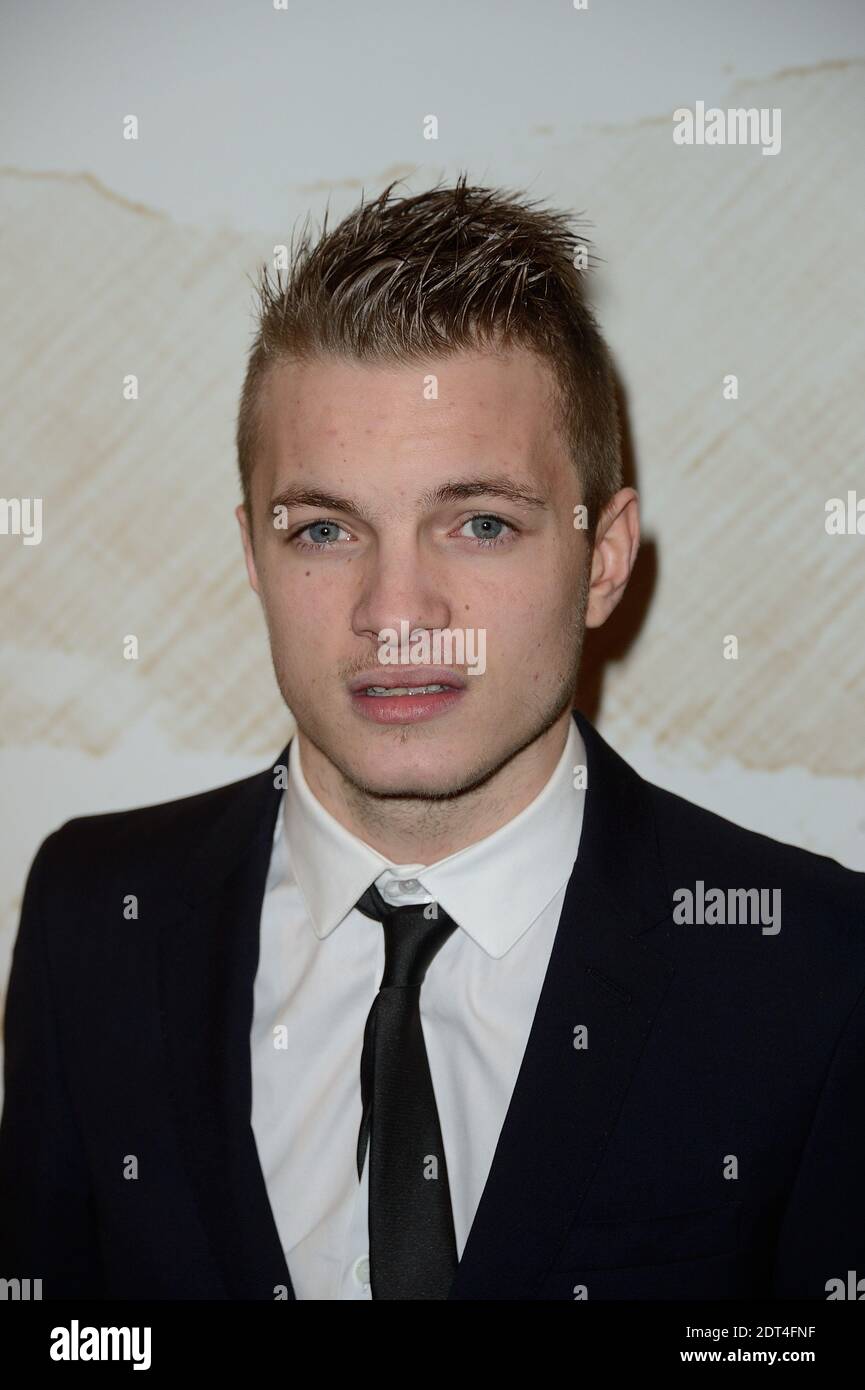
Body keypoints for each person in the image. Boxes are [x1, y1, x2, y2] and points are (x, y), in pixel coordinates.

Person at [1, 176, 863, 1301]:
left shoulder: (811, 967)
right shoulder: (90, 915)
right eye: (324, 527)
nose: (394, 611)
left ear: (601, 558)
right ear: (256, 557)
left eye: (481, 523)